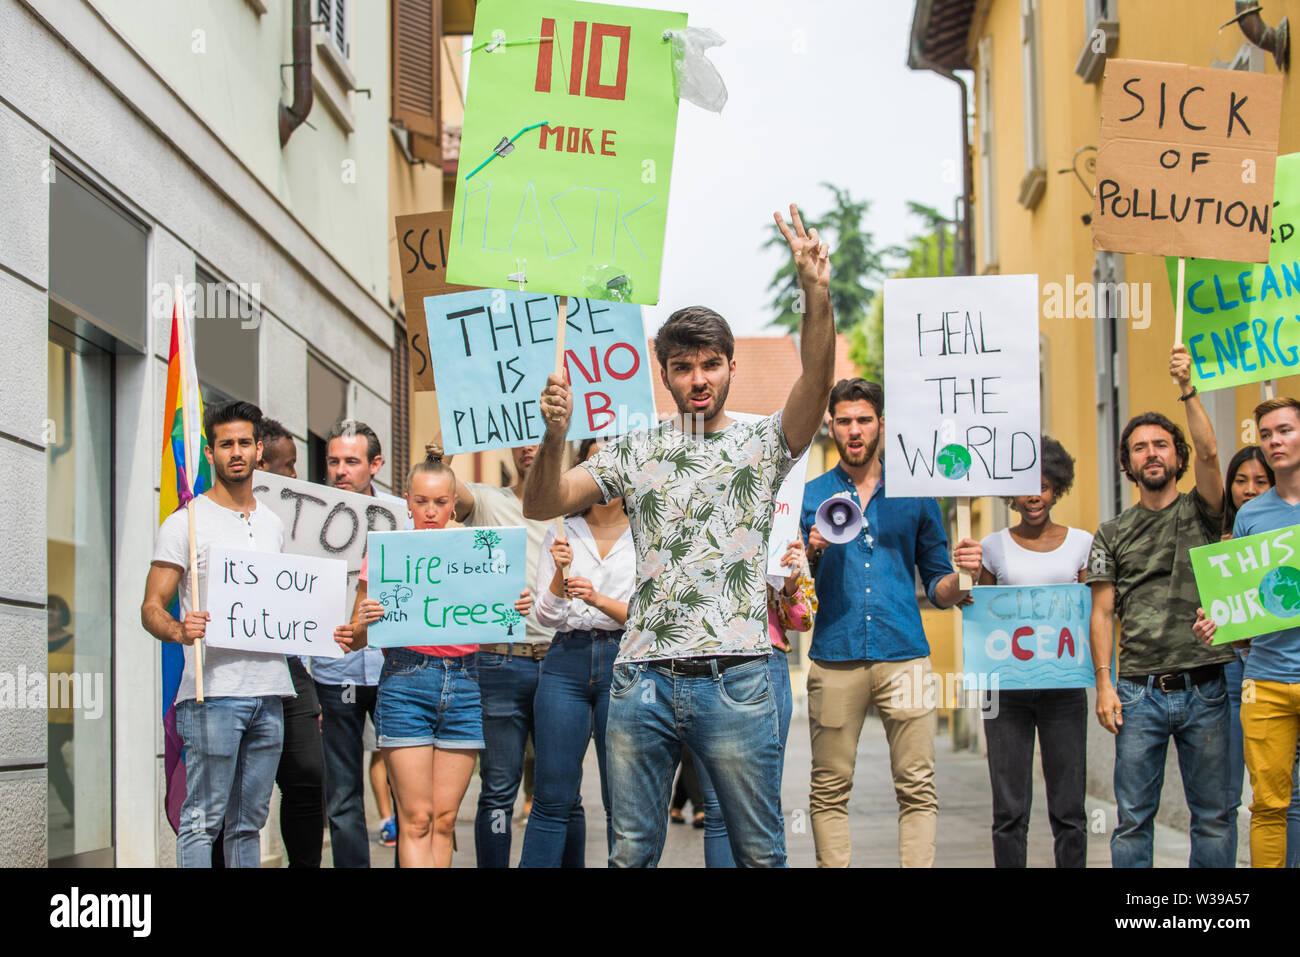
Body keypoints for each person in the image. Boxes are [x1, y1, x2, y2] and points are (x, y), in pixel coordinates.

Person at [523, 203, 836, 867]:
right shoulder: (633, 449)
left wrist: (816, 293)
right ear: (663, 372)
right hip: (640, 680)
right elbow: (546, 499)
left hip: (740, 676)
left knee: (760, 852)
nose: (699, 378)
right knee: (630, 853)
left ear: (730, 367)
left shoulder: (764, 438)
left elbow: (817, 380)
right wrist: (555, 434)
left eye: (712, 364)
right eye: (684, 365)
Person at [799, 377, 983, 868]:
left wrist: (965, 581)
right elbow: (790, 590)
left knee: (918, 787)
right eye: (844, 421)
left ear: (881, 423)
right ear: (831, 426)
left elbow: (940, 583)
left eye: (864, 419)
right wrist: (810, 553)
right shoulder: (809, 495)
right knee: (829, 788)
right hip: (834, 658)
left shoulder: (919, 491)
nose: (854, 430)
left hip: (905, 654)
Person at [333, 446, 534, 866]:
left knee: (444, 821)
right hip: (406, 682)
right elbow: (352, 637)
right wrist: (364, 621)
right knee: (417, 818)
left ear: (453, 506)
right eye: (421, 501)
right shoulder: (388, 553)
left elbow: (497, 611)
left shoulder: (477, 552)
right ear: (407, 501)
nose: (430, 511)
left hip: (464, 684)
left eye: (440, 502)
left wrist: (514, 607)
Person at [1088, 346, 1235, 868]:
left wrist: (1188, 389)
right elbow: (1102, 612)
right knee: (1132, 819)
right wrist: (1105, 684)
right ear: (1126, 463)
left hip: (1206, 685)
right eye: (1140, 447)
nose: (1152, 453)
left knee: (1215, 815)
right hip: (1137, 694)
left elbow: (1214, 456)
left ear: (1177, 457)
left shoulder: (1204, 509)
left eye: (1162, 445)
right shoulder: (1111, 533)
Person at [141, 400, 292, 867]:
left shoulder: (273, 524)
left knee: (250, 822)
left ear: (258, 449)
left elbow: (287, 603)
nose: (236, 452)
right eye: (225, 444)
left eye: (244, 443)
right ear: (210, 452)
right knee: (202, 820)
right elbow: (150, 609)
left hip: (270, 693)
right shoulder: (184, 523)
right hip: (212, 695)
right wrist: (178, 629)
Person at [439, 444, 567, 867]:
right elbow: (439, 485)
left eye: (538, 433)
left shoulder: (577, 506)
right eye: (520, 435)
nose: (529, 446)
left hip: (561, 662)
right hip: (499, 661)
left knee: (564, 789)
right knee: (497, 789)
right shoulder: (488, 500)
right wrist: (443, 444)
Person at [977, 436, 1091, 867]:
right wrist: (969, 576)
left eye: (1044, 486)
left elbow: (1092, 609)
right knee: (1008, 810)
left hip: (1064, 689)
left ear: (1057, 487)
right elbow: (982, 616)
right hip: (1006, 693)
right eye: (1026, 486)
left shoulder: (1082, 543)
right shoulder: (991, 547)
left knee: (1069, 809)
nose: (1034, 496)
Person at [1195, 399, 1300, 867]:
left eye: (1284, 431)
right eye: (1266, 434)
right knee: (1268, 806)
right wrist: (1218, 625)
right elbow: (1241, 616)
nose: (1274, 441)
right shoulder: (1250, 518)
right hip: (1266, 679)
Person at [520, 437, 634, 866]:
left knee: (620, 796)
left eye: (615, 461)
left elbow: (649, 615)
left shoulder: (648, 532)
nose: (605, 471)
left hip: (623, 664)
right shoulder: (561, 529)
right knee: (553, 795)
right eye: (594, 461)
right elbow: (547, 617)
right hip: (565, 662)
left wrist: (598, 599)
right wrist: (556, 578)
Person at [694, 537, 816, 867]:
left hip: (767, 660)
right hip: (707, 660)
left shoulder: (782, 526)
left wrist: (789, 583)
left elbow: (803, 619)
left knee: (765, 800)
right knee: (717, 807)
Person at [313, 419, 397, 867]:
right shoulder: (306, 520)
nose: (340, 470)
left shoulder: (403, 516)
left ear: (375, 464)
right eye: (333, 461)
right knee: (342, 797)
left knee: (406, 789)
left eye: (351, 461)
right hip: (334, 672)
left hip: (395, 671)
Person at [247, 415, 323, 867]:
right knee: (241, 792)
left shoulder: (303, 525)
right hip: (243, 668)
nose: (296, 476)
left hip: (292, 668)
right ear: (262, 468)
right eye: (288, 465)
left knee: (308, 778)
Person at [1218, 445, 1276, 864]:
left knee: (1275, 790)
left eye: (1261, 481)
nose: (1250, 490)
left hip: (1274, 670)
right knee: (1225, 789)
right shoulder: (1215, 536)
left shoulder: (1282, 532)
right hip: (1228, 675)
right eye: (1241, 481)